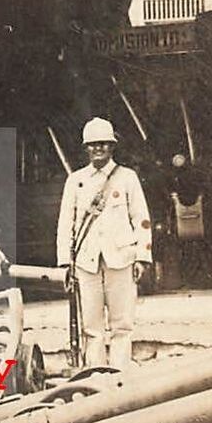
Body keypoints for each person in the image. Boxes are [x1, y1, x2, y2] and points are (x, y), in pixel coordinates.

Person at [56, 118, 153, 368]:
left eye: (104, 144)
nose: (98, 149)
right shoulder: (75, 181)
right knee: (92, 327)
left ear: (112, 147)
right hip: (86, 261)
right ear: (86, 148)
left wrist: (142, 256)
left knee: (122, 324)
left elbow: (141, 218)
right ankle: (96, 375)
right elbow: (66, 223)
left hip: (121, 258)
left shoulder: (127, 178)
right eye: (93, 144)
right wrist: (66, 263)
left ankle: (120, 375)